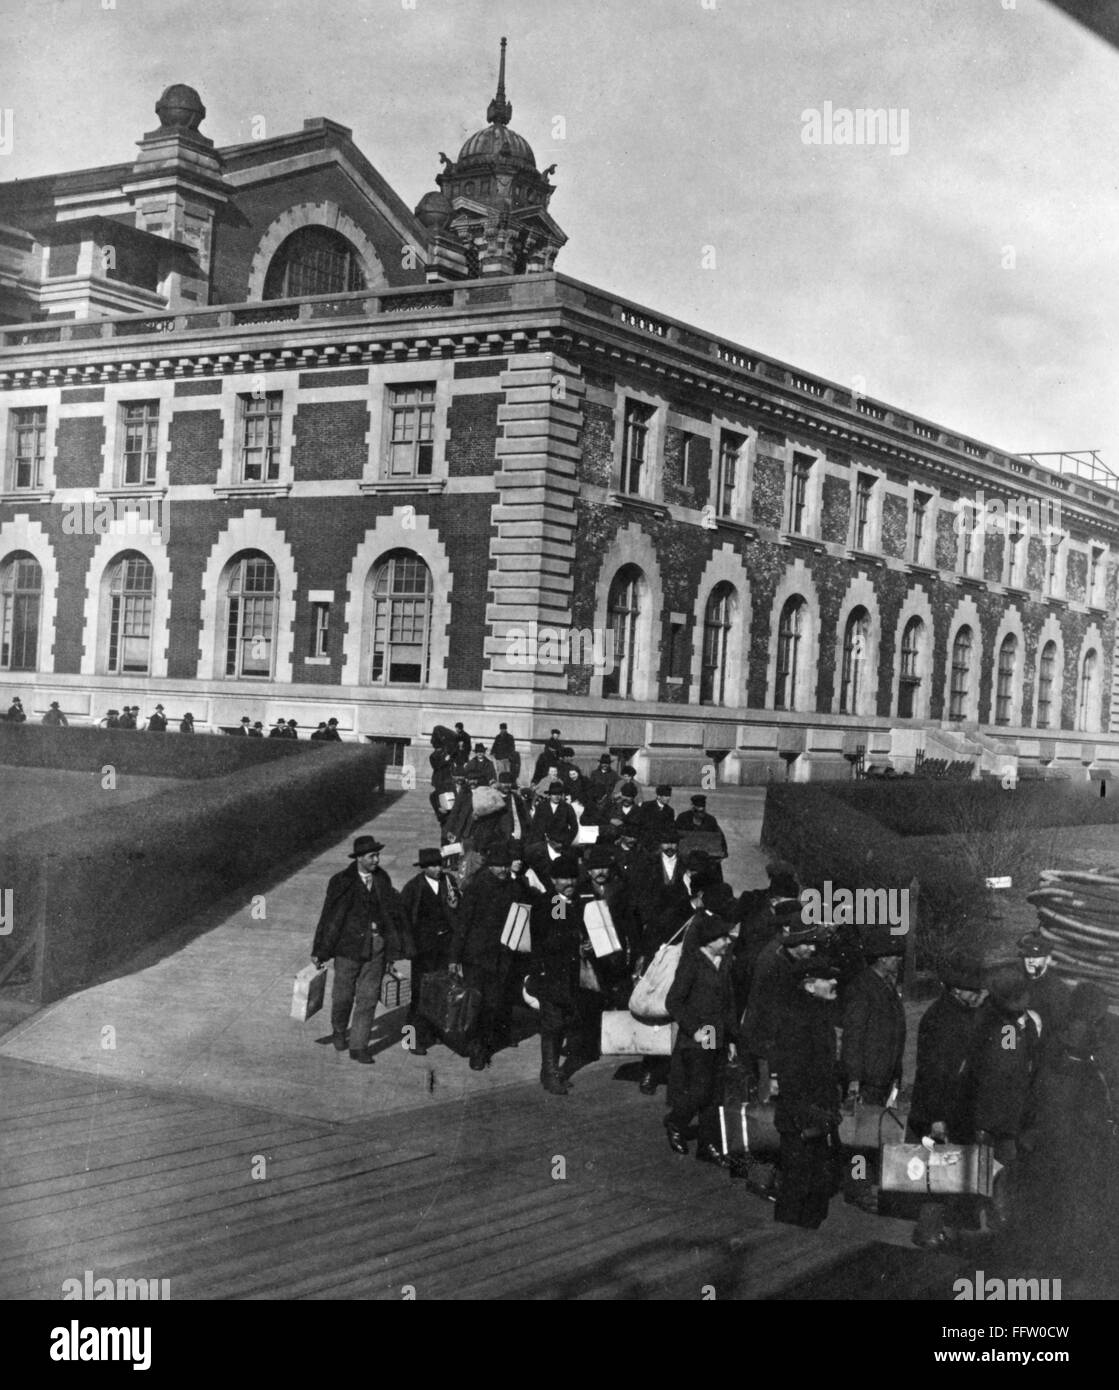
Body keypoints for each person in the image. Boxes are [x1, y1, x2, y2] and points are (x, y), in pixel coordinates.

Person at [907, 958, 989, 1250]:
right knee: (938, 1174)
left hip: (951, 1109)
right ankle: (928, 1232)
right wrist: (938, 1118)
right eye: (973, 990)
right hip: (939, 1111)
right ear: (958, 990)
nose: (979, 994)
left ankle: (942, 1230)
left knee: (947, 1172)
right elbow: (935, 1074)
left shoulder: (955, 1013)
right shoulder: (944, 1020)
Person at [310, 836, 409, 1064]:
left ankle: (359, 1047)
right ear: (359, 858)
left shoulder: (382, 879)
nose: (377, 859)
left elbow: (391, 914)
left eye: (377, 855)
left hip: (376, 948)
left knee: (368, 998)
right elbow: (329, 918)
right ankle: (338, 1030)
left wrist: (393, 950)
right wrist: (320, 950)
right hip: (348, 949)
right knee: (343, 996)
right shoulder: (341, 881)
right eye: (372, 856)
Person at [663, 914, 741, 1164]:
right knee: (700, 1090)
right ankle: (676, 1121)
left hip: (717, 1035)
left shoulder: (724, 962)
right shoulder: (693, 963)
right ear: (709, 941)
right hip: (699, 1038)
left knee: (716, 1093)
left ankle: (708, 1145)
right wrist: (694, 1028)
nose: (728, 941)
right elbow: (673, 1001)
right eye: (723, 937)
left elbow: (728, 1004)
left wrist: (730, 1039)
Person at [771, 961, 842, 1229]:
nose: (834, 983)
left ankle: (804, 1235)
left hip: (817, 1116)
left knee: (814, 1187)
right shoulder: (798, 1018)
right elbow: (791, 1074)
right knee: (797, 1187)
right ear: (810, 986)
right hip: (801, 1119)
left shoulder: (817, 1012)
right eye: (827, 979)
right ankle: (784, 1242)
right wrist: (806, 1117)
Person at [529, 855, 605, 1094]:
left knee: (560, 1023)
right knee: (553, 1025)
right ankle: (550, 1075)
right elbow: (556, 937)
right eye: (563, 879)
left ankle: (550, 1071)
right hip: (552, 976)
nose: (569, 882)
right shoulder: (555, 903)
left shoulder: (571, 901)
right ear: (553, 880)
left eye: (573, 877)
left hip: (567, 976)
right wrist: (579, 944)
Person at [450, 846, 527, 1070]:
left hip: (502, 955)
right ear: (489, 866)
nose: (503, 869)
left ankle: (487, 1042)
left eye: (506, 865)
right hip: (477, 956)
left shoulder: (514, 887)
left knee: (494, 1002)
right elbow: (462, 924)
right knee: (477, 1003)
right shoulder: (476, 888)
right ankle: (476, 1049)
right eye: (499, 866)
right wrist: (454, 958)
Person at [740, 907, 822, 1103]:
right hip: (769, 1049)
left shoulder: (786, 958)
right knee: (770, 1103)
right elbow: (769, 1017)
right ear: (794, 942)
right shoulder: (773, 964)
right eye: (808, 944)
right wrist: (774, 1070)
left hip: (780, 1047)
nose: (813, 949)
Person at [399, 848, 459, 1056]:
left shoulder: (448, 882)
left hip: (444, 946)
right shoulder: (413, 888)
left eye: (440, 864)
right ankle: (411, 1039)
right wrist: (408, 947)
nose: (438, 868)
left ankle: (433, 1033)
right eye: (433, 865)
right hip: (423, 949)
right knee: (419, 994)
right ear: (424, 868)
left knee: (440, 991)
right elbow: (404, 920)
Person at [840, 947, 905, 1108]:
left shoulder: (887, 985)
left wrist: (896, 1079)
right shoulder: (862, 988)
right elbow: (853, 1035)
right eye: (895, 955)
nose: (899, 959)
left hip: (886, 1078)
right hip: (868, 1081)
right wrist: (854, 1080)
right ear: (882, 958)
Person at [528, 781, 578, 850]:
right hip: (544, 844)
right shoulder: (541, 806)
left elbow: (574, 827)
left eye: (559, 794)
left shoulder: (567, 807)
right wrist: (538, 841)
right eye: (554, 794)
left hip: (561, 844)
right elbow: (535, 825)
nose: (557, 796)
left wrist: (566, 843)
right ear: (549, 795)